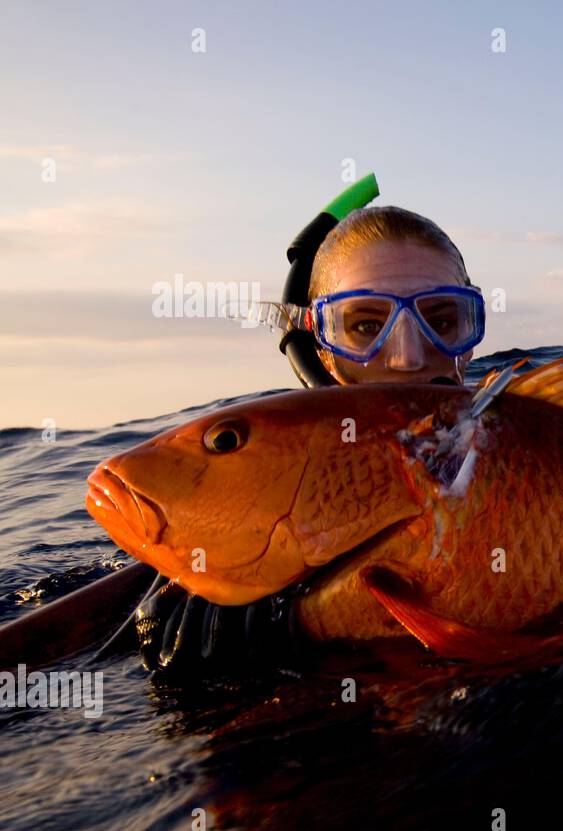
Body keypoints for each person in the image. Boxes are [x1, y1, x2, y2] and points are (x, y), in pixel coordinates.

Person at [128, 205, 484, 673]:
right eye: (365, 326)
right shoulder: (254, 510)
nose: (407, 357)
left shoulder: (552, 434)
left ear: (471, 333)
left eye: (440, 321)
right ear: (324, 352)